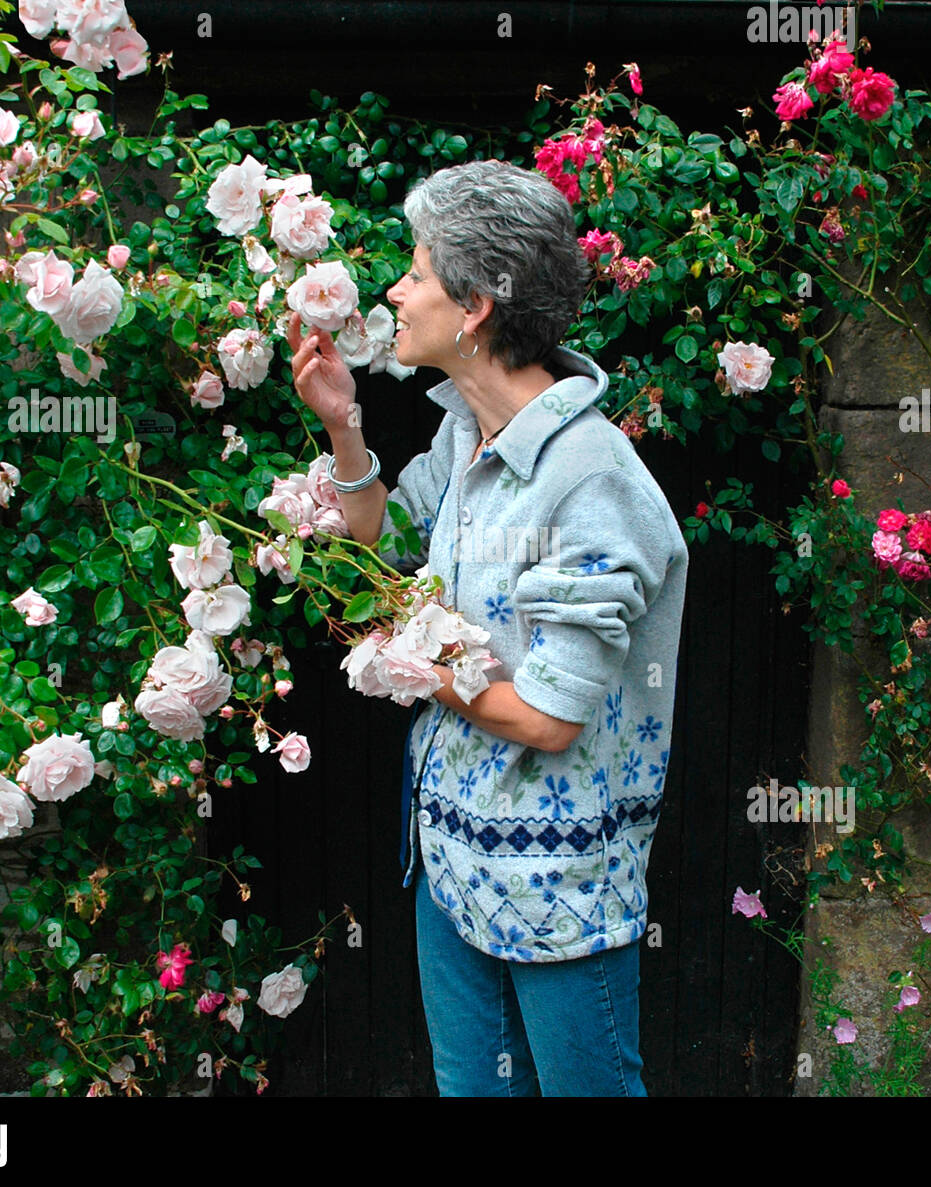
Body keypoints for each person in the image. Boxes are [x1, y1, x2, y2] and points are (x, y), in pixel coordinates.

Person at [288, 158, 688, 1097]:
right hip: (449, 850)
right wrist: (346, 429)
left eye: (418, 270)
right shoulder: (467, 434)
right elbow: (383, 547)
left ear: (474, 307)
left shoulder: (589, 480)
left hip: (558, 877)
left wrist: (417, 668)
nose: (396, 289)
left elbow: (550, 718)